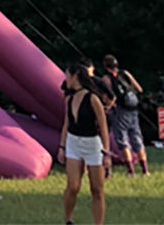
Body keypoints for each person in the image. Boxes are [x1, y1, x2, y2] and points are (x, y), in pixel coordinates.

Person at [59, 62, 111, 225]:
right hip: (74, 143)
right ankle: (68, 220)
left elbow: (103, 127)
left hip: (92, 145)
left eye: (67, 75)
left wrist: (106, 153)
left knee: (97, 190)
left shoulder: (93, 99)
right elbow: (66, 125)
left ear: (75, 77)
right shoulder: (69, 99)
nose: (65, 79)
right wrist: (62, 147)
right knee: (73, 186)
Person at [102, 54, 149, 175]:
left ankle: (130, 170)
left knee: (122, 140)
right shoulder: (126, 73)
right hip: (133, 110)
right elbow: (139, 89)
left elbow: (108, 96)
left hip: (120, 111)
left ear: (105, 66)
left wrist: (107, 106)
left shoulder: (106, 79)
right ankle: (145, 170)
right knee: (137, 138)